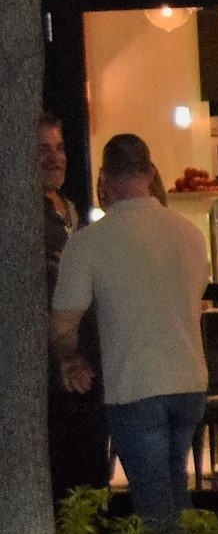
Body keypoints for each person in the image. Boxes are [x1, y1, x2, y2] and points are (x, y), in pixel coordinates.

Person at [51, 134, 211, 534]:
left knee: (154, 499)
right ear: (151, 173)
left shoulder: (90, 243)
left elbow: (63, 322)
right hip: (190, 381)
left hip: (135, 386)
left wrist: (71, 359)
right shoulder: (190, 235)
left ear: (104, 178)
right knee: (174, 485)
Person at [39, 112, 109, 496]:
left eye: (60, 147)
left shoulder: (71, 210)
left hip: (88, 352)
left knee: (89, 463)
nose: (55, 158)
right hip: (49, 360)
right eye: (43, 149)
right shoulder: (26, 214)